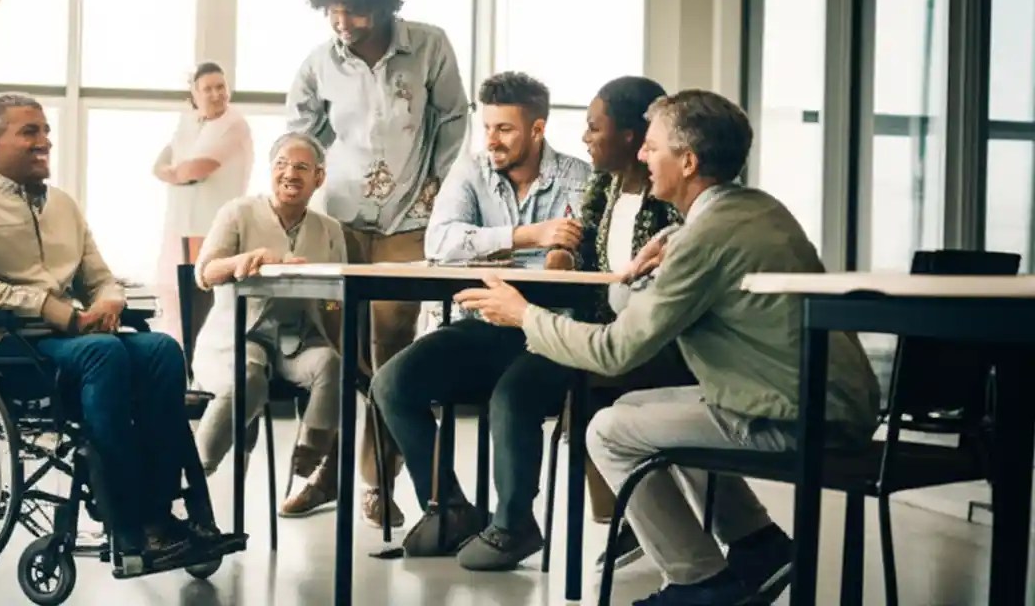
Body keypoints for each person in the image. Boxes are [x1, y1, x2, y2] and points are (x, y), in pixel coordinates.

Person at [455, 90, 880, 606]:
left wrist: (523, 314)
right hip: (825, 403)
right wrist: (655, 256)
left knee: (608, 431)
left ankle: (698, 582)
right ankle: (758, 543)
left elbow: (615, 352)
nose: (641, 155)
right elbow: (655, 295)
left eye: (652, 147)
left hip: (797, 418)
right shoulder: (754, 210)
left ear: (689, 161)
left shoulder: (704, 238)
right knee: (639, 408)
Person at [0, 93, 244, 568]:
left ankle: (161, 517)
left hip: (71, 342)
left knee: (161, 350)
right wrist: (54, 310)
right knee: (104, 354)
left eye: (45, 130)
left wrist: (109, 301)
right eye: (29, 132)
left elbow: (98, 277)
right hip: (3, 348)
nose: (45, 141)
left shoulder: (63, 205)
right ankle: (128, 524)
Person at [371, 72, 590, 571]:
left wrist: (559, 257)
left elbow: (586, 256)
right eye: (487, 126)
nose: (491, 139)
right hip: (483, 324)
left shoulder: (580, 178)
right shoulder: (471, 170)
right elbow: (440, 242)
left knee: (511, 397)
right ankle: (448, 508)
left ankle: (514, 525)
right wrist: (528, 235)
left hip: (549, 329)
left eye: (505, 129)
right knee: (392, 383)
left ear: (537, 129)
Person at [288, 0, 471, 527]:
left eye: (355, 11)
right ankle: (333, 471)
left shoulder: (429, 46)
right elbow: (300, 134)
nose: (343, 22)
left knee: (389, 351)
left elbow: (454, 117)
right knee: (344, 355)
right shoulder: (318, 63)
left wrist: (439, 182)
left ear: (384, 3)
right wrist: (295, 180)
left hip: (408, 221)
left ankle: (373, 481)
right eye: (333, 11)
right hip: (339, 222)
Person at [572, 76, 694, 570]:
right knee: (576, 379)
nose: (585, 137)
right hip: (613, 332)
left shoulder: (671, 197)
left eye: (594, 127)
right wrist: (562, 251)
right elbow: (584, 249)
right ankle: (628, 516)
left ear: (630, 136)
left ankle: (637, 517)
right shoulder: (603, 185)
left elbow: (663, 290)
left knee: (592, 384)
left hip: (663, 339)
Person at [191, 132, 346, 517]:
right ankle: (191, 474)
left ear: (319, 178)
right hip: (238, 335)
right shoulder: (238, 212)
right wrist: (246, 260)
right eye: (282, 165)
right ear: (270, 170)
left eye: (302, 167)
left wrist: (334, 320)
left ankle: (310, 453)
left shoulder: (329, 230)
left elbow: (335, 296)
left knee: (331, 364)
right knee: (249, 377)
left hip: (297, 338)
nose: (290, 173)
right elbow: (205, 273)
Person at [154, 62, 253, 348]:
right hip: (181, 224)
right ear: (195, 94)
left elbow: (196, 169)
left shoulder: (234, 123)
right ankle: (178, 363)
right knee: (175, 298)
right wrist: (176, 173)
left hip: (211, 225)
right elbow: (159, 165)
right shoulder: (188, 122)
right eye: (208, 89)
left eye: (221, 87)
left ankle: (200, 365)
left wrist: (176, 173)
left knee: (203, 300)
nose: (216, 94)